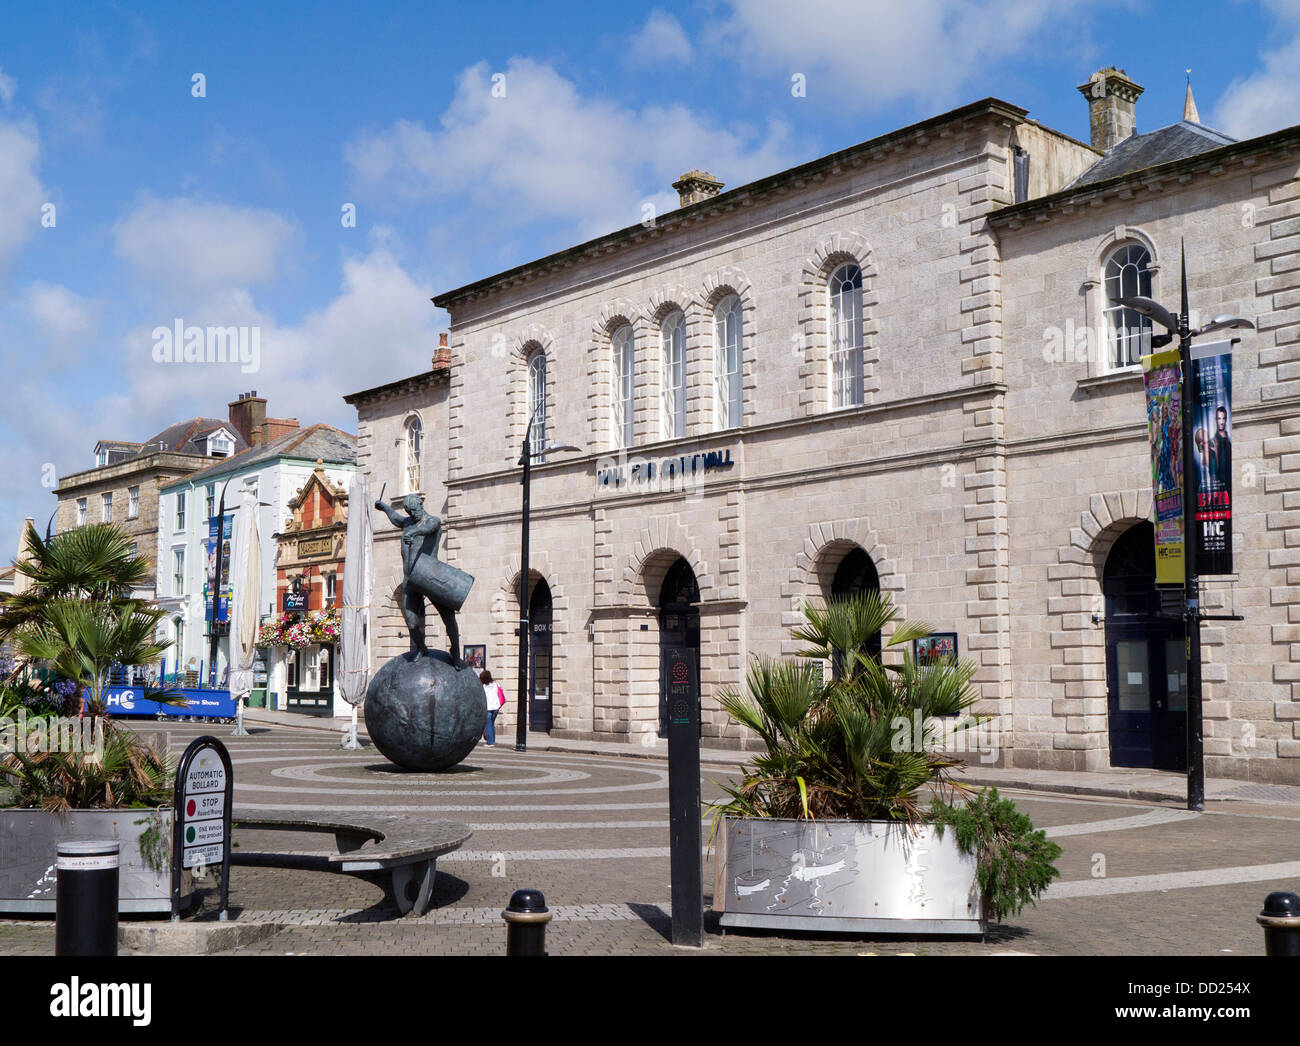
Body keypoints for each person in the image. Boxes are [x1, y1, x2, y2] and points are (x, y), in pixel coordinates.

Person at [481, 669, 505, 746]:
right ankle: (492, 740)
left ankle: (490, 742)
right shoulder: (496, 685)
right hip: (496, 708)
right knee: (491, 724)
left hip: (488, 708)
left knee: (488, 725)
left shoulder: (483, 687)